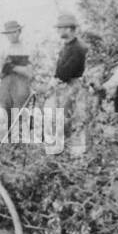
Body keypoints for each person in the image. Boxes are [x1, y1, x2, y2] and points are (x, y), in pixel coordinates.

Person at [49, 13, 89, 155]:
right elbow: (59, 69)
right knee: (62, 118)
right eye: (59, 28)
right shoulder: (66, 47)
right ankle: (63, 151)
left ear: (71, 29)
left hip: (74, 86)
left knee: (75, 119)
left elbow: (67, 71)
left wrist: (55, 80)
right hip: (64, 86)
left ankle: (76, 154)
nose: (60, 31)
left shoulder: (78, 47)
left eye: (62, 28)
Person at [0, 20, 33, 113]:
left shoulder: (26, 49)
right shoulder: (3, 50)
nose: (11, 35)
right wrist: (4, 69)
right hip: (6, 87)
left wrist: (13, 67)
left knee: (19, 117)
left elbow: (30, 73)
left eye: (14, 32)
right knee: (4, 115)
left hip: (21, 88)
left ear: (19, 32)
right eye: (8, 33)